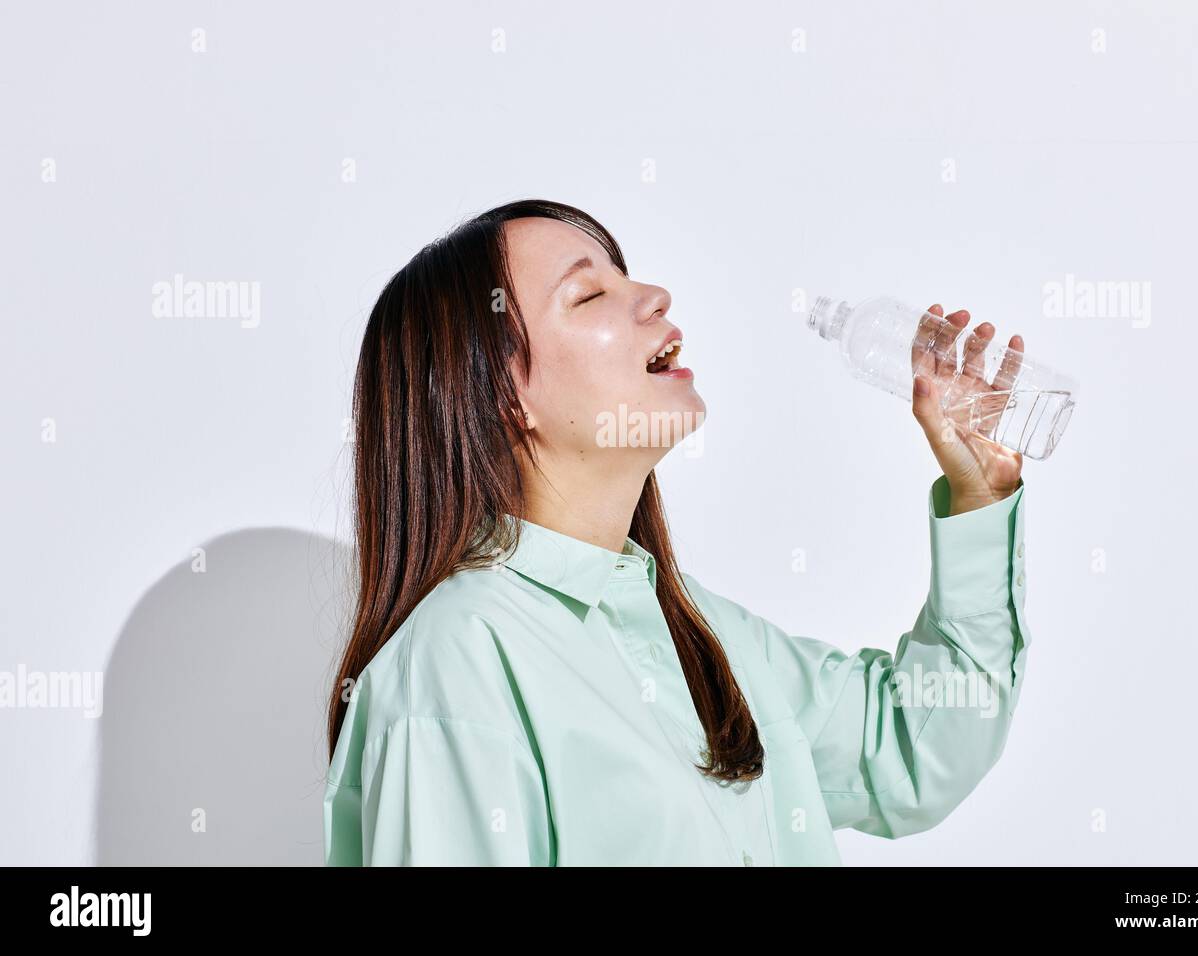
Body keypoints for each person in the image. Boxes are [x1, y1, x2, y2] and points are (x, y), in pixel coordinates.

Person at [322, 198, 1031, 865]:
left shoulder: (698, 631)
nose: (654, 295)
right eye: (589, 294)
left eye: (623, 274)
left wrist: (977, 496)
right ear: (505, 399)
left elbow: (910, 752)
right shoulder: (454, 666)